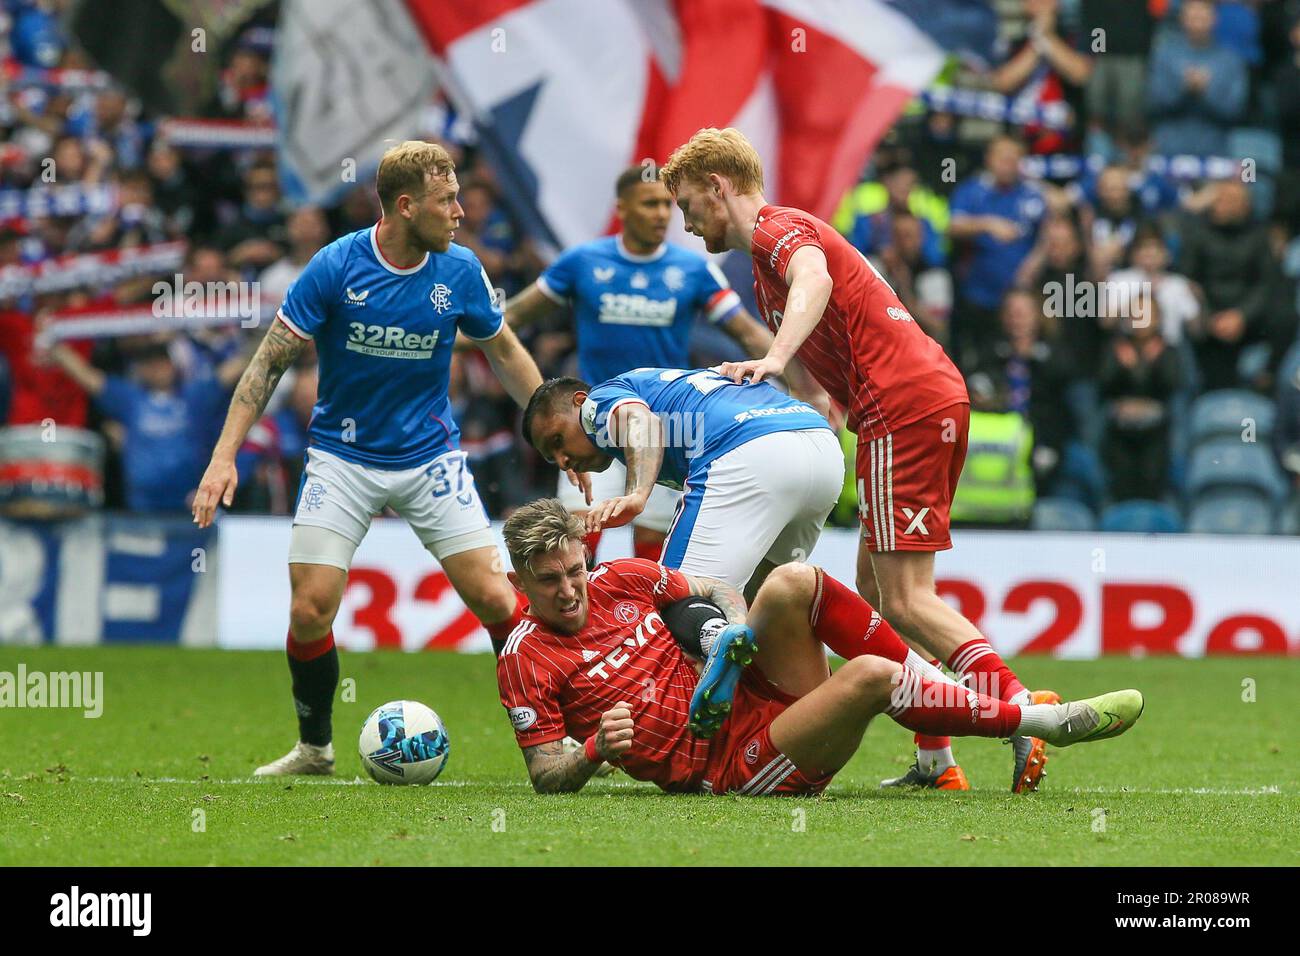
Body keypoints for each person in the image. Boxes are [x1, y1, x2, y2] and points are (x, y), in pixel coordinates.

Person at [659, 126, 1056, 793]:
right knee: (876, 602)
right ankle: (936, 762)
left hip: (900, 407)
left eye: (687, 206)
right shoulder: (770, 255)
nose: (688, 224)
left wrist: (776, 359)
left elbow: (813, 280)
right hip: (915, 400)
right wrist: (819, 396)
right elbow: (833, 317)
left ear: (715, 186)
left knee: (905, 597)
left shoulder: (774, 231)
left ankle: (1021, 713)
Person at [191, 141, 545, 776]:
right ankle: (315, 747)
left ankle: (550, 738)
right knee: (309, 609)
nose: (461, 212)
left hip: (431, 456)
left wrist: (551, 426)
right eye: (447, 201)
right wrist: (224, 457)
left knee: (499, 602)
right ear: (406, 207)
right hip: (342, 459)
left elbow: (506, 352)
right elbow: (268, 363)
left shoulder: (460, 270)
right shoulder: (334, 266)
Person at [495, 499, 1144, 796]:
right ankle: (1039, 721)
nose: (571, 590)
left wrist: (724, 632)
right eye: (550, 582)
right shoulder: (525, 658)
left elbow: (717, 587)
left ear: (586, 558)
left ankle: (732, 666)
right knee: (868, 675)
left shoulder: (621, 579)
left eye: (575, 570)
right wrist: (592, 750)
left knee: (793, 580)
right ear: (520, 583)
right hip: (731, 766)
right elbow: (545, 774)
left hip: (752, 694)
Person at [504, 165, 821, 564]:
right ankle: (584, 625)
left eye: (665, 206)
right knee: (577, 540)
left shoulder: (691, 269)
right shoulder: (582, 262)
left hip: (663, 430)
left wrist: (798, 378)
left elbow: (746, 332)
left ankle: (646, 624)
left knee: (655, 547)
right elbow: (510, 318)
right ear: (622, 208)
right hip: (589, 429)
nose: (660, 214)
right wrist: (456, 330)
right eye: (649, 204)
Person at [521, 367, 842, 600]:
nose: (562, 460)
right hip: (819, 447)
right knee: (767, 609)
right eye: (553, 457)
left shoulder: (597, 401)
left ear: (579, 401)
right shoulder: (666, 386)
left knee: (678, 603)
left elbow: (642, 422)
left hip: (749, 450)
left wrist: (636, 494)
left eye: (558, 440)